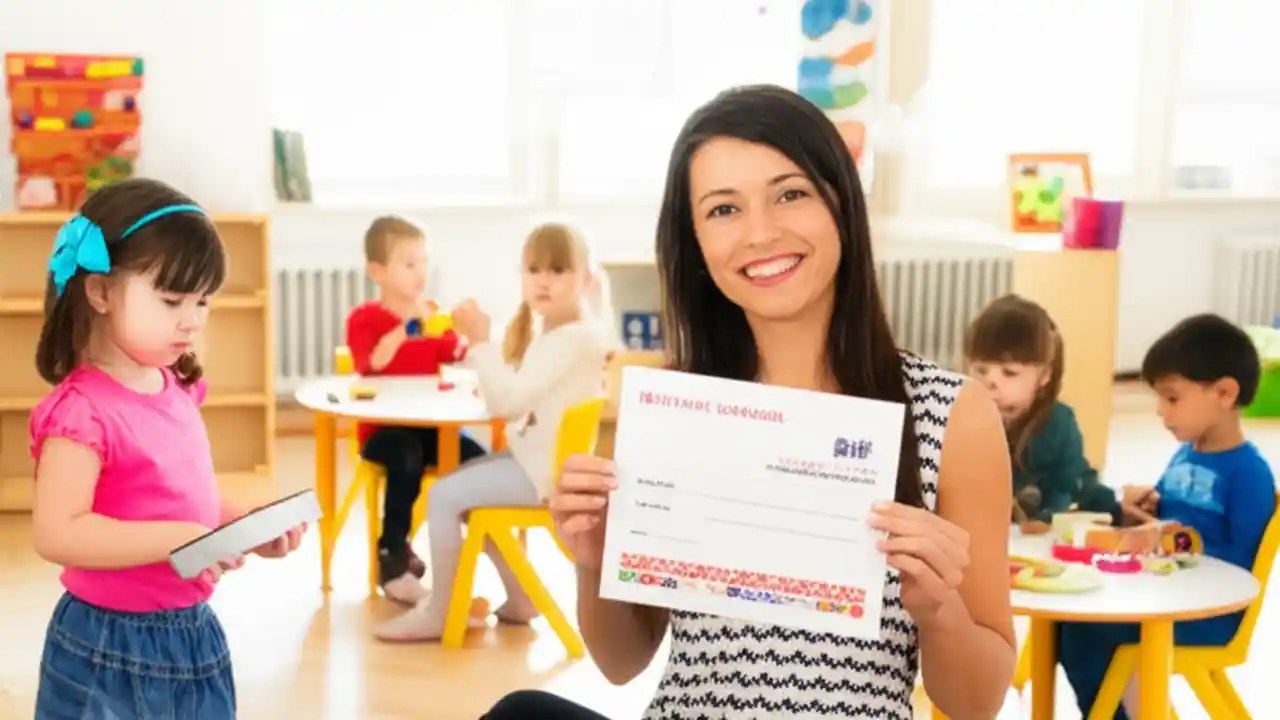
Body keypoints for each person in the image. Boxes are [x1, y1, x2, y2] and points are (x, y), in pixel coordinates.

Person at [483, 84, 1016, 719]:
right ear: (697, 245)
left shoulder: (950, 413)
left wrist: (938, 608)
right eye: (723, 210)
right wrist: (595, 560)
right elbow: (623, 662)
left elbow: (976, 704)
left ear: (841, 205)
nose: (760, 234)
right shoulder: (680, 409)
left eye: (790, 194)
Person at [28, 178, 306, 719]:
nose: (193, 319)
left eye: (203, 300)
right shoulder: (82, 412)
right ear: (100, 292)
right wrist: (183, 540)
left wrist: (238, 526)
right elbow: (57, 532)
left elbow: (173, 500)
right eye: (172, 299)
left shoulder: (173, 385)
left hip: (191, 635)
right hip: (109, 646)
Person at [374, 221, 615, 641]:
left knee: (444, 494)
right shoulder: (564, 334)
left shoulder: (570, 339)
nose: (544, 281)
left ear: (586, 279)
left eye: (558, 271)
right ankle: (521, 596)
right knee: (463, 488)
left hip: (542, 473)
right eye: (535, 270)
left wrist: (482, 342)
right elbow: (516, 391)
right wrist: (480, 351)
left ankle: (441, 609)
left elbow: (506, 404)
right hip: (538, 460)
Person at [1058, 314, 1277, 719]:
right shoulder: (1185, 454)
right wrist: (1144, 508)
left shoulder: (1249, 474)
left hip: (1206, 614)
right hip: (1161, 594)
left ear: (1225, 393)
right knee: (1069, 623)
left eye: (1172, 398)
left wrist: (1168, 536)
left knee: (1087, 631)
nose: (1161, 411)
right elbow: (1165, 517)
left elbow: (1238, 570)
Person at [345, 215, 487, 603]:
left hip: (431, 429)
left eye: (423, 262)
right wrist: (405, 328)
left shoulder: (431, 315)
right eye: (409, 264)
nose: (420, 272)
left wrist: (466, 334)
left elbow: (456, 354)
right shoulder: (365, 319)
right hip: (382, 433)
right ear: (378, 271)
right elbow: (370, 364)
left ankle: (475, 560)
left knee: (477, 459)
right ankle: (392, 556)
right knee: (404, 456)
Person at [965, 294, 1121, 532]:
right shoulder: (962, 417)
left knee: (1105, 506)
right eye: (980, 370)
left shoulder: (1059, 422)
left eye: (1009, 373)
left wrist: (1047, 518)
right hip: (998, 517)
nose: (990, 383)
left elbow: (1067, 483)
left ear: (1044, 376)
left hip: (1062, 504)